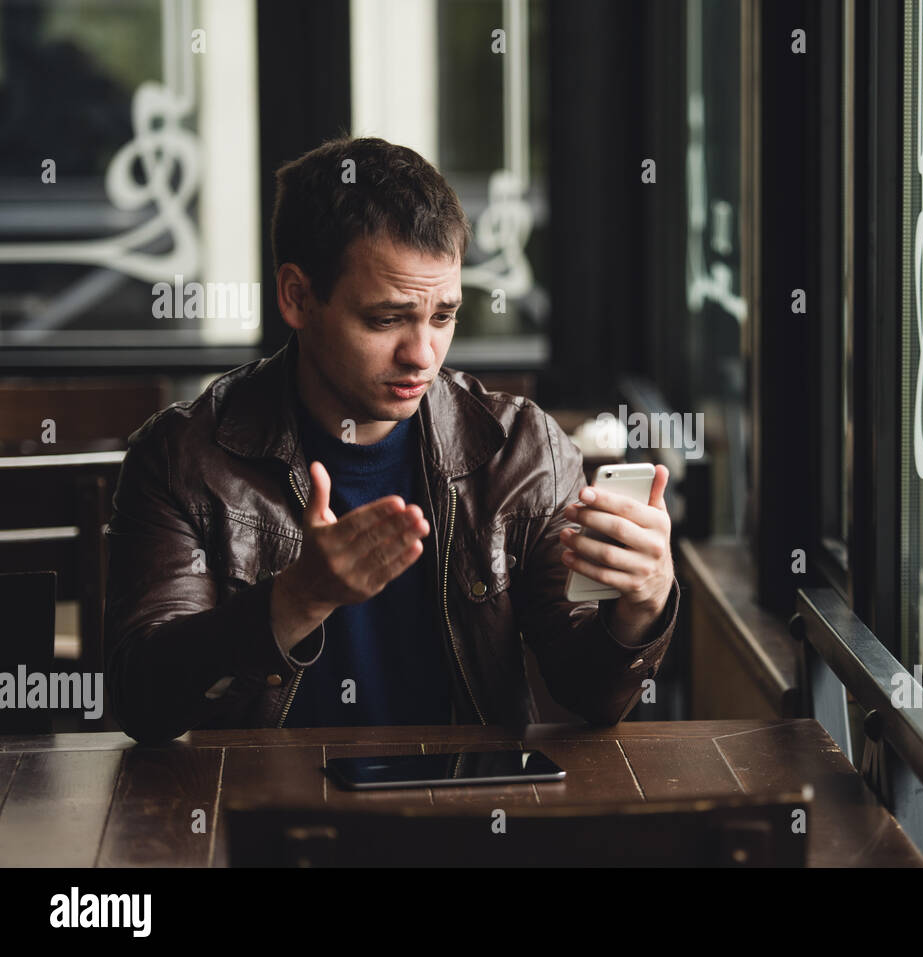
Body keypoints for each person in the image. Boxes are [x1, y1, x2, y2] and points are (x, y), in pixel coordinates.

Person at [104, 137, 678, 744]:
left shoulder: (519, 448)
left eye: (443, 316)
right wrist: (297, 599)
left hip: (468, 818)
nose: (421, 355)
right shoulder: (182, 458)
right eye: (386, 319)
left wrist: (642, 604)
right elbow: (144, 700)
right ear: (297, 296)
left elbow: (589, 694)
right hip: (258, 822)